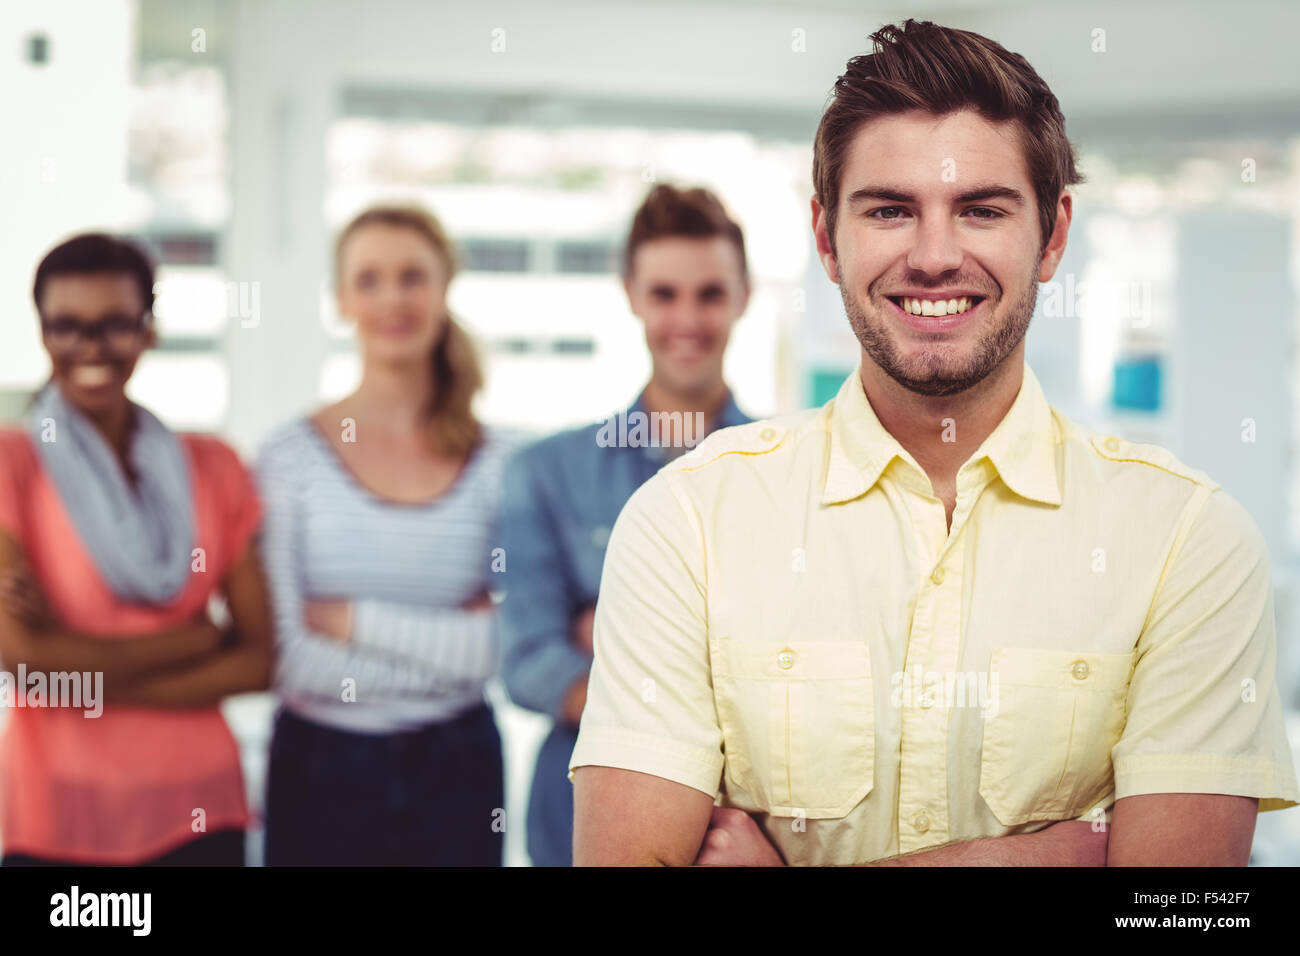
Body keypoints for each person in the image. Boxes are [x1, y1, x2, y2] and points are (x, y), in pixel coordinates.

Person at [571, 19, 1300, 866]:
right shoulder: (684, 522)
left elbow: (1181, 914)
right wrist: (1055, 855)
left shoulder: (1188, 541)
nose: (933, 256)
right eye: (889, 210)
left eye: (982, 210)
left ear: (1054, 234)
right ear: (825, 238)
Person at [500, 184, 755, 866]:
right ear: (632, 295)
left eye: (710, 294)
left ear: (745, 295)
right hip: (582, 809)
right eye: (665, 293)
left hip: (745, 822)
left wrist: (616, 641)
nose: (687, 319)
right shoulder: (544, 472)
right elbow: (526, 663)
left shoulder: (788, 469)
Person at [0, 233, 273, 866]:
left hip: (201, 812)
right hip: (56, 814)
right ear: (40, 333)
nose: (91, 349)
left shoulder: (214, 465)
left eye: (116, 325)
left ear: (150, 330)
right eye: (66, 326)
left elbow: (259, 662)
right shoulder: (13, 461)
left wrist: (72, 676)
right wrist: (195, 641)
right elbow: (22, 662)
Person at [256, 204, 514, 866]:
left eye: (412, 276)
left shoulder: (501, 464)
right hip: (321, 769)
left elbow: (501, 647)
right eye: (369, 280)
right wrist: (446, 649)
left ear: (444, 287)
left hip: (459, 769)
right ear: (342, 300)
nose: (393, 298)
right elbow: (285, 654)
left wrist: (347, 619)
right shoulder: (287, 459)